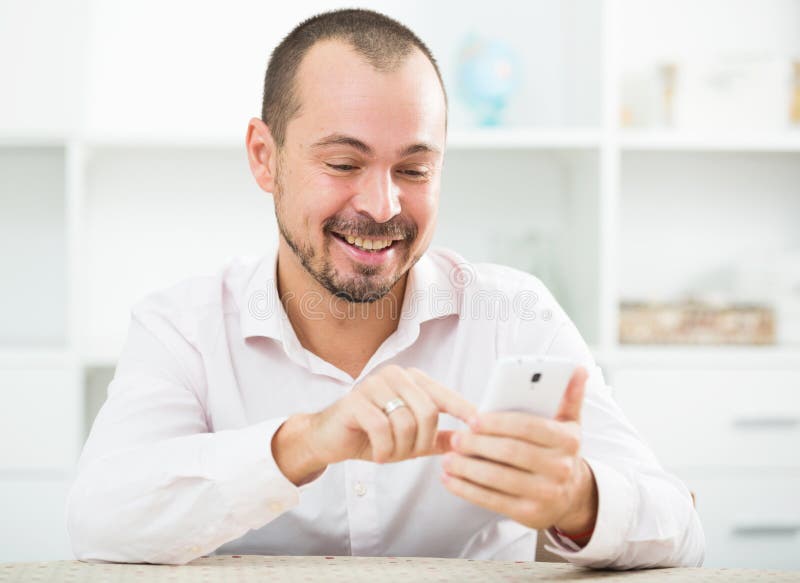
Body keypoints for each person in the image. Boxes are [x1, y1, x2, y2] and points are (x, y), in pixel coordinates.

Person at [66, 8, 704, 568]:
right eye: (343, 164)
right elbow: (100, 516)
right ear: (265, 156)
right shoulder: (182, 327)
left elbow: (681, 528)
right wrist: (307, 440)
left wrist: (578, 500)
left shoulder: (516, 315)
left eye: (415, 168)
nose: (381, 204)